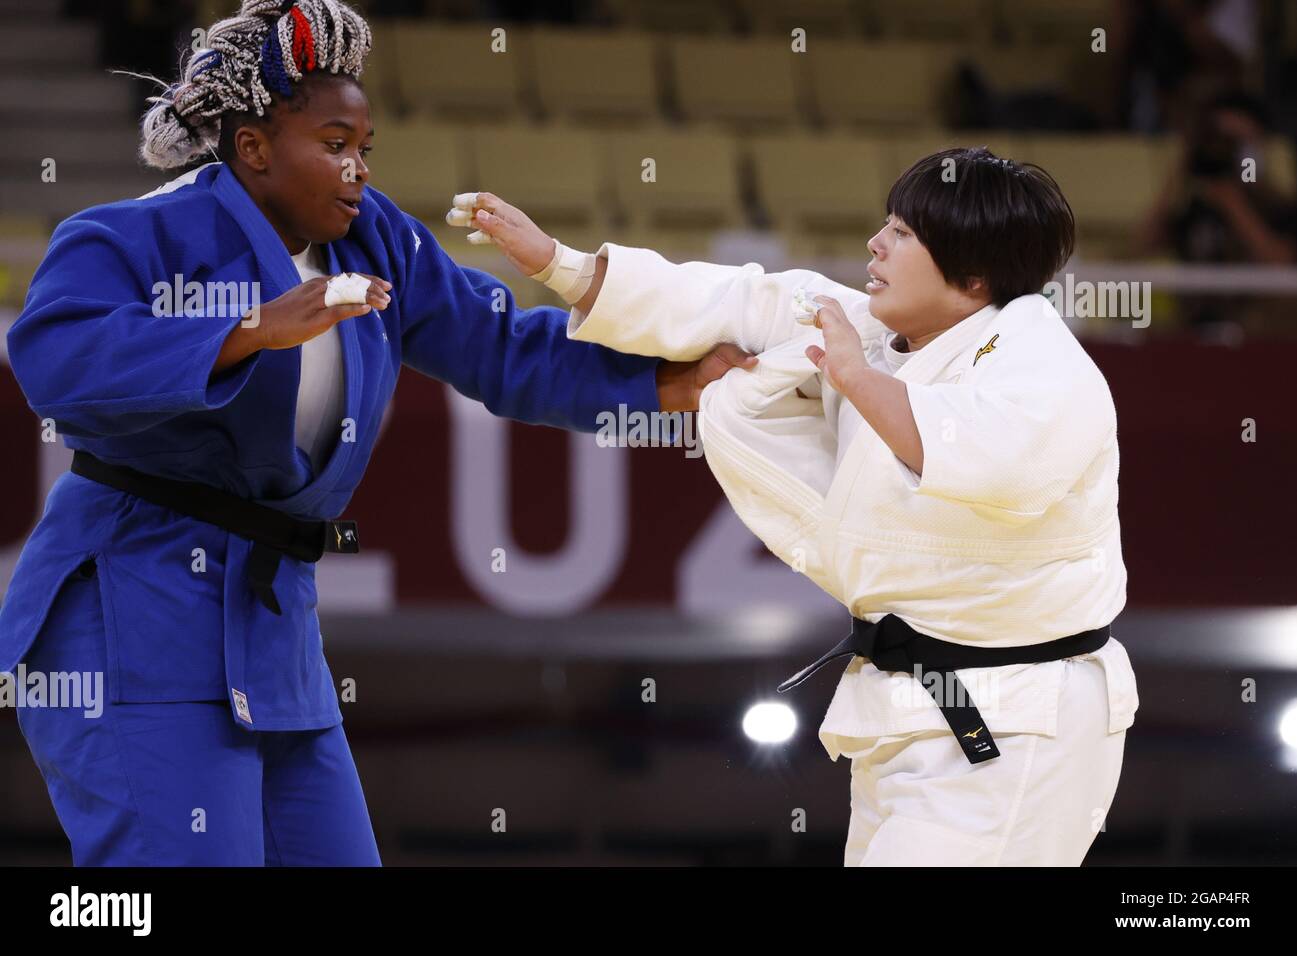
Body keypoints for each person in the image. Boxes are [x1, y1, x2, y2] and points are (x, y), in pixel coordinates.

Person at [0, 0, 749, 866]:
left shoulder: (373, 239)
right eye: (332, 145)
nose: (356, 170)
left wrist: (664, 382)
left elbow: (499, 345)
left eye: (364, 148)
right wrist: (249, 330)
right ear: (252, 149)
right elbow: (56, 361)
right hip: (131, 609)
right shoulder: (133, 234)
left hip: (272, 619)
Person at [451, 147, 1140, 866]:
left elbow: (986, 462)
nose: (876, 244)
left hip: (1017, 725)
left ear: (972, 277)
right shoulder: (880, 335)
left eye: (903, 234)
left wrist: (854, 375)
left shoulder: (1046, 366)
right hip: (915, 708)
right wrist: (559, 264)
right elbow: (737, 299)